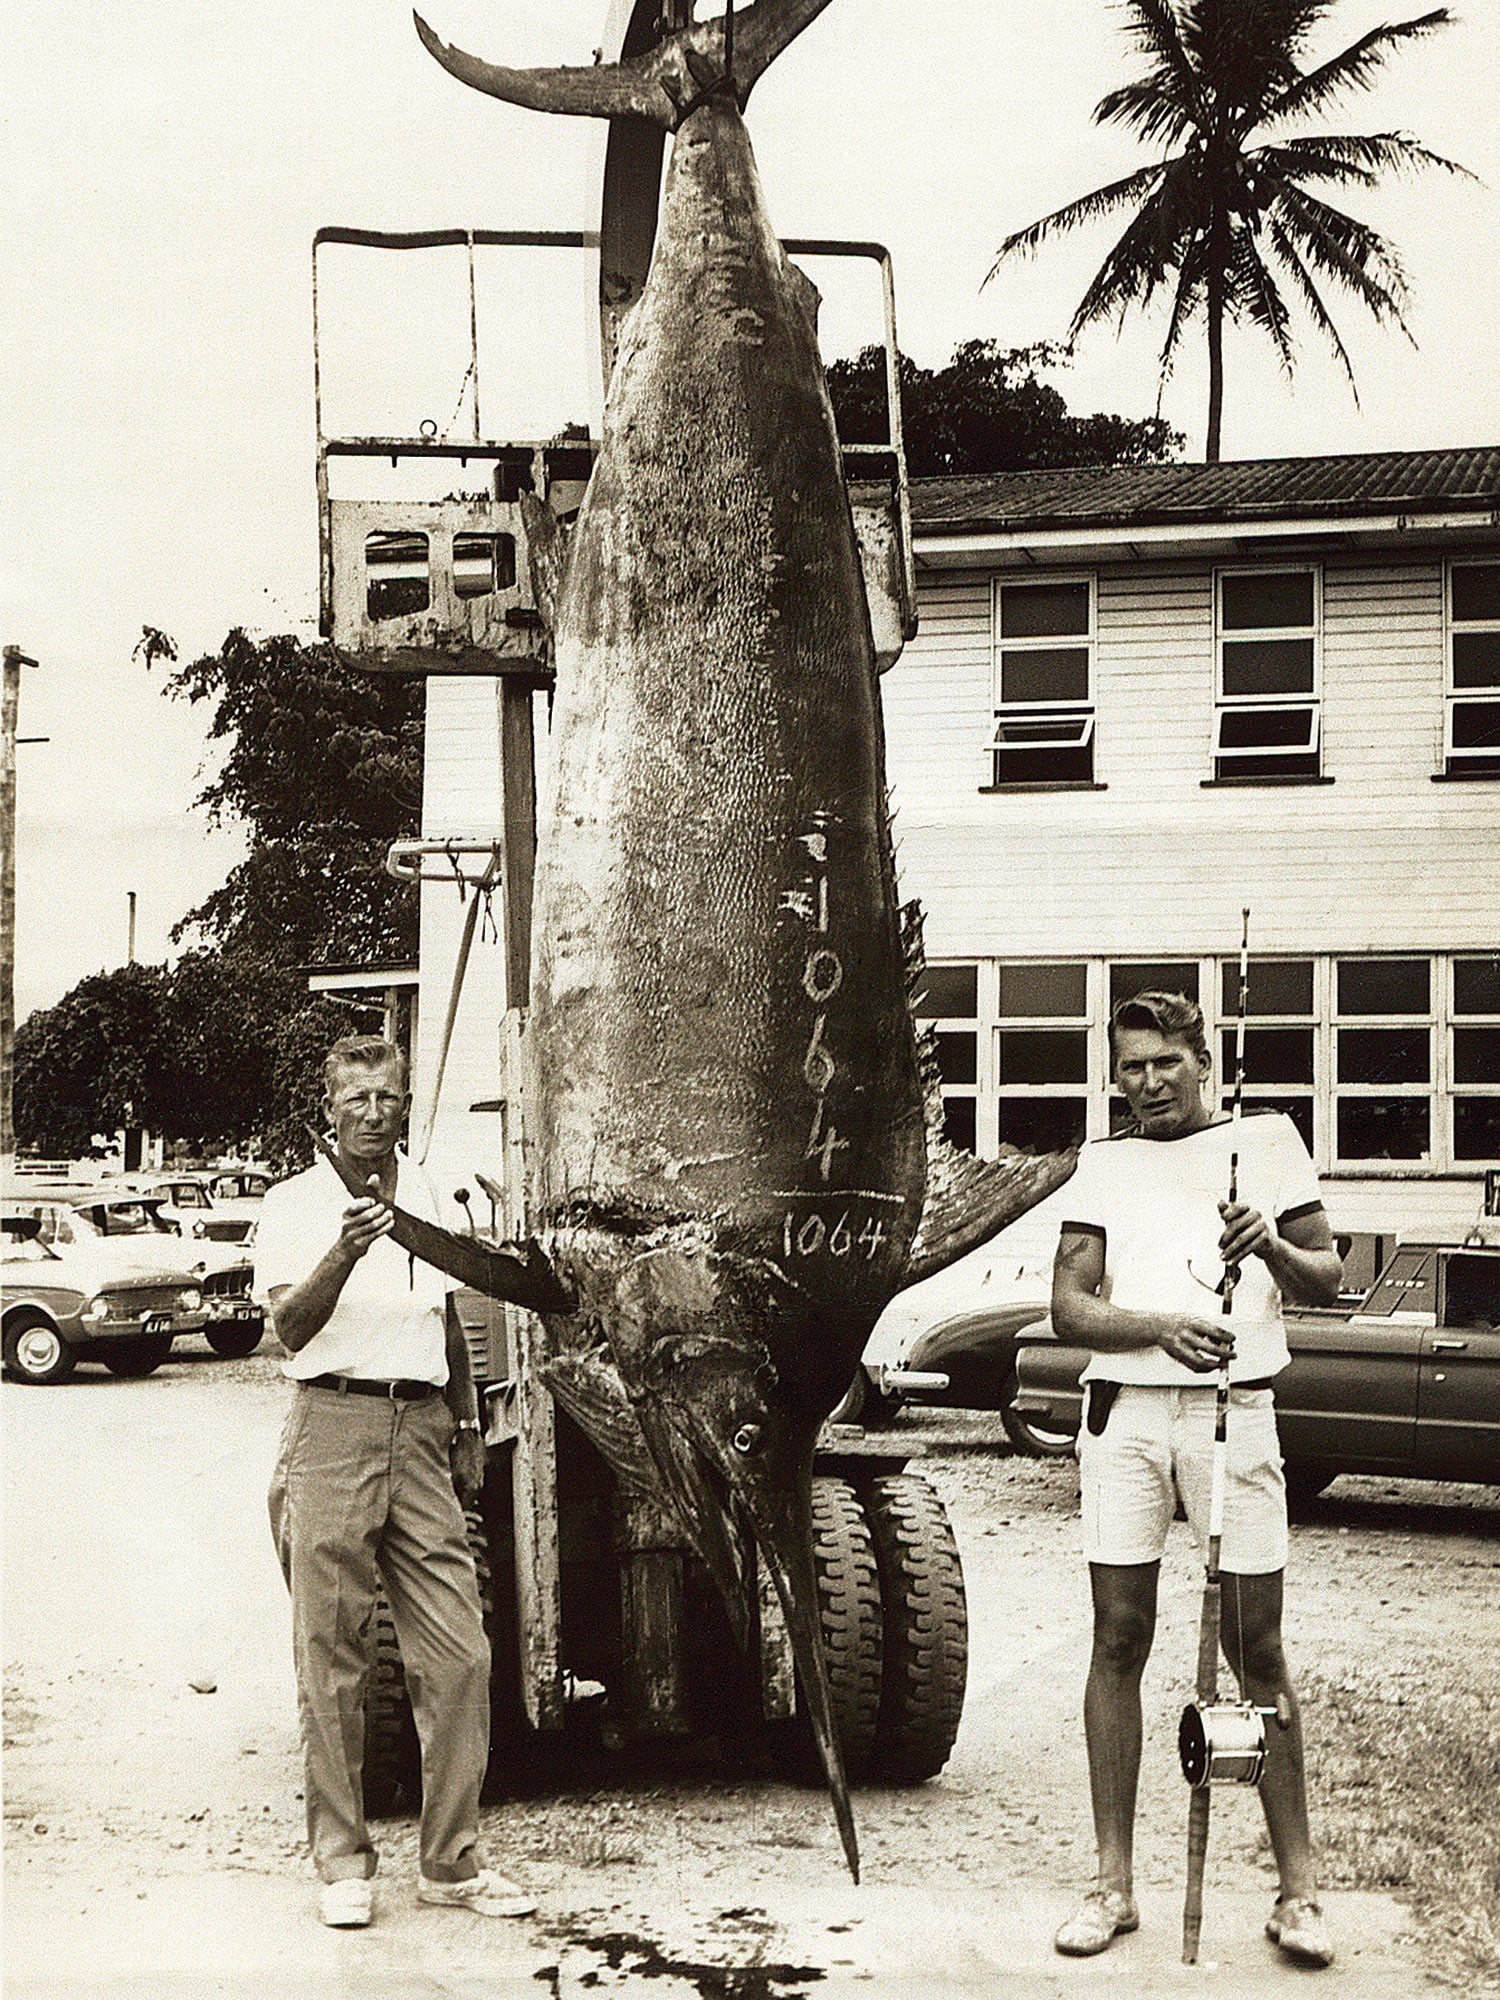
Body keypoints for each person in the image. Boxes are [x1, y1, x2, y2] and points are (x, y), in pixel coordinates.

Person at [1049, 990, 1343, 1969]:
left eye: (1162, 1062)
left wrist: (1267, 1241)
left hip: (1236, 1407)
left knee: (1255, 1645)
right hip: (1124, 1414)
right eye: (1128, 1065)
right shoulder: (1105, 1160)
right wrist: (1156, 1328)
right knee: (1119, 1635)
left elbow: (1329, 1277)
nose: (1144, 1082)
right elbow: (1070, 1307)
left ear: (1201, 1058)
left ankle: (1299, 1890)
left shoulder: (1266, 1141)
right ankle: (1113, 1884)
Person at [256, 1034, 534, 1929]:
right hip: (330, 1424)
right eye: (357, 1101)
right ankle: (343, 1863)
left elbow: (446, 1312)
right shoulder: (293, 1204)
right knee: (331, 1661)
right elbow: (290, 1332)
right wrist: (342, 1252)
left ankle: (451, 1862)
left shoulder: (425, 1190)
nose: (375, 1114)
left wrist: (462, 1421)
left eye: (387, 1098)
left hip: (421, 1430)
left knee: (460, 1654)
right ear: (326, 1110)